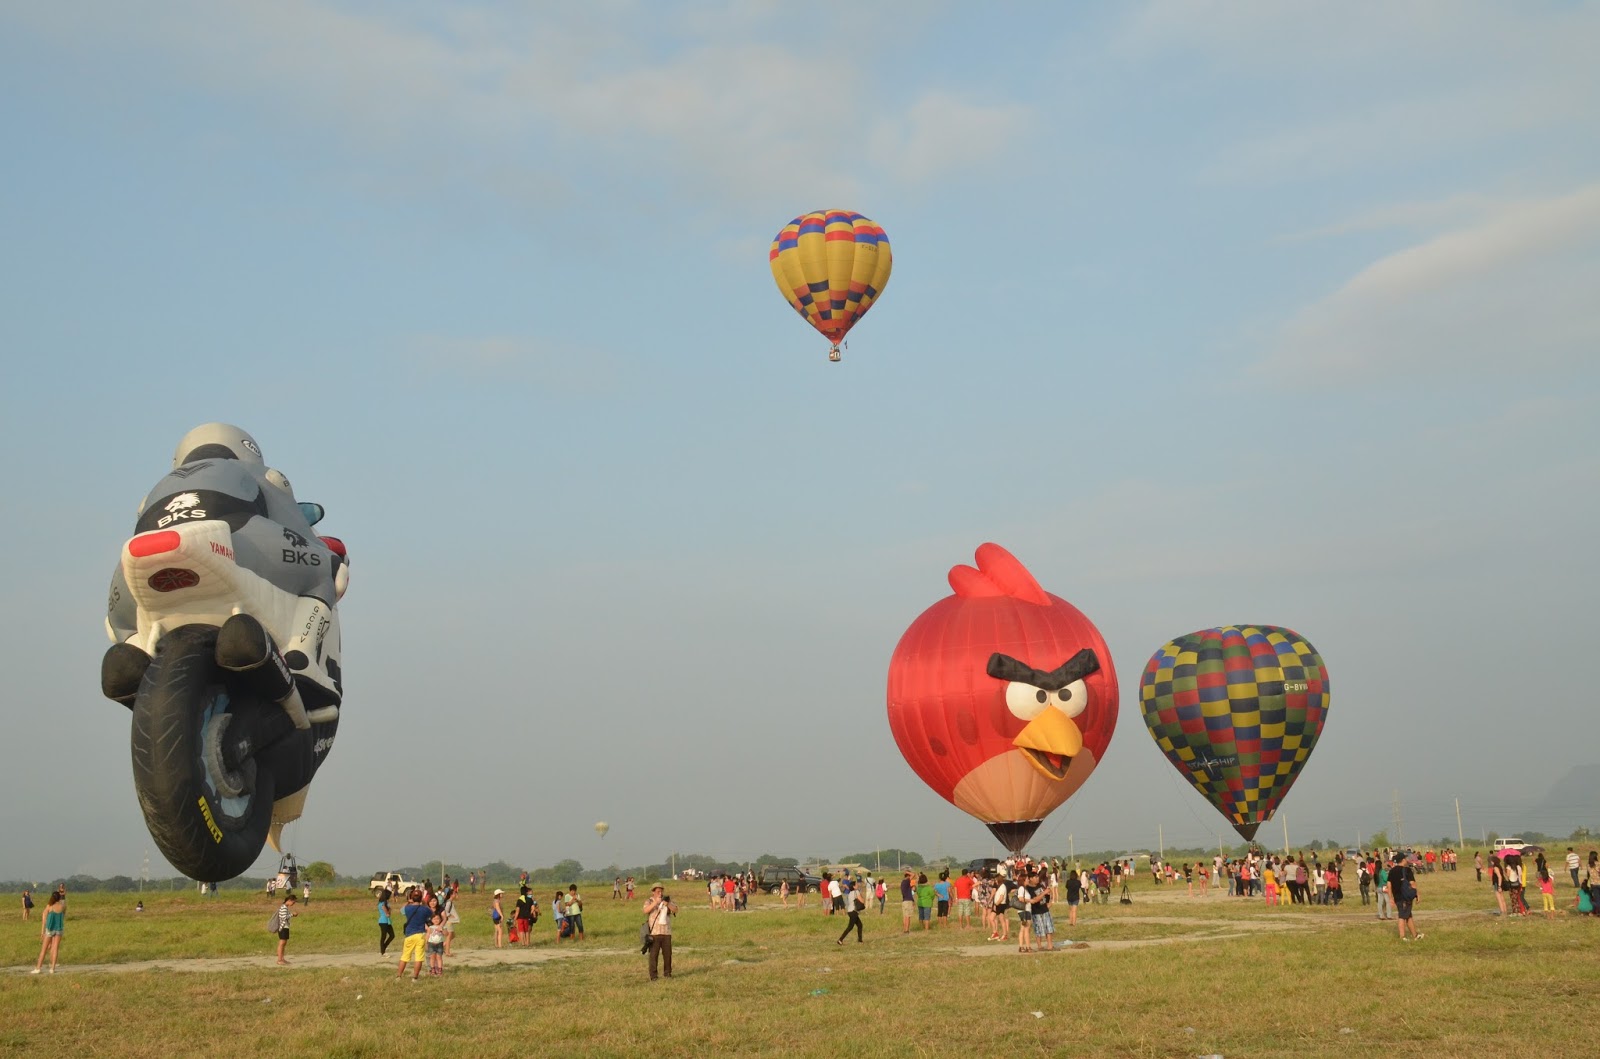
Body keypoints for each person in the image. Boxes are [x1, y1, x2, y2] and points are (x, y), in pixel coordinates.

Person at [643, 885, 678, 980]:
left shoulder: (667, 900)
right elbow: (645, 910)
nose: (660, 893)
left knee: (667, 955)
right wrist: (656, 903)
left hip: (666, 932)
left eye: (661, 891)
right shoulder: (649, 901)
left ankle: (667, 973)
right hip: (654, 933)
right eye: (658, 891)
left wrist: (668, 904)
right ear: (653, 892)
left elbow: (675, 909)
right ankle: (653, 975)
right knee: (653, 955)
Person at [396, 889, 432, 981]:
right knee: (418, 957)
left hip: (409, 934)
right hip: (420, 934)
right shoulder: (424, 909)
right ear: (421, 898)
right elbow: (431, 912)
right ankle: (415, 978)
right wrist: (423, 902)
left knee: (405, 956)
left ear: (412, 898)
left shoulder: (407, 908)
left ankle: (398, 976)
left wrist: (409, 902)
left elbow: (401, 910)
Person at [1387, 854, 1422, 941]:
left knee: (1408, 916)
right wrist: (1417, 894)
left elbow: (1389, 885)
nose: (1407, 860)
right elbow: (1412, 884)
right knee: (1402, 916)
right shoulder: (1407, 870)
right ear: (1403, 860)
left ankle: (1415, 935)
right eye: (1406, 859)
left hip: (1397, 897)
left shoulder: (1392, 871)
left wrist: (1390, 898)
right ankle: (1402, 937)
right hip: (1405, 897)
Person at [32, 890, 66, 974]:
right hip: (59, 929)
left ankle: (38, 968)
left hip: (50, 929)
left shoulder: (49, 906)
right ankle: (52, 968)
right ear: (59, 898)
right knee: (55, 948)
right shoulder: (63, 906)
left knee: (44, 949)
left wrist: (42, 931)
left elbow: (44, 919)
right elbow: (63, 915)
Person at [273, 893, 297, 965]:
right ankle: (279, 960)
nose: (293, 904)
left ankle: (282, 958)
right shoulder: (283, 907)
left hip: (285, 927)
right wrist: (292, 914)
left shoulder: (284, 907)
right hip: (283, 927)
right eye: (293, 902)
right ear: (289, 900)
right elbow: (283, 917)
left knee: (283, 943)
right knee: (282, 943)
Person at [425, 911, 447, 977]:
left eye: (437, 919)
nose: (436, 920)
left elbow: (446, 934)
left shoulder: (443, 927)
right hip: (431, 944)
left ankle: (440, 970)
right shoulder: (430, 927)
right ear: (431, 920)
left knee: (439, 957)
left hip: (439, 944)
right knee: (432, 957)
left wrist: (442, 930)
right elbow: (427, 935)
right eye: (434, 919)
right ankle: (433, 970)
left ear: (440, 920)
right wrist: (426, 943)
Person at [377, 889, 395, 955]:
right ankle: (383, 951)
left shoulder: (384, 903)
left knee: (392, 935)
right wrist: (389, 909)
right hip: (383, 921)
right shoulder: (383, 904)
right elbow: (387, 914)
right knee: (384, 936)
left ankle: (383, 947)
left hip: (387, 921)